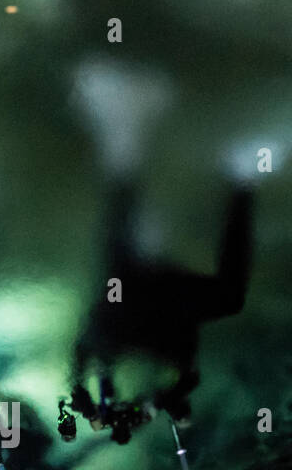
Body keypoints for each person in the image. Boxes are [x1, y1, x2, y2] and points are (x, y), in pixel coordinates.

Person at [62, 180, 254, 444]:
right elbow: (188, 378)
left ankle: (124, 177)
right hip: (161, 303)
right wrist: (160, 404)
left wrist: (90, 409)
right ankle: (241, 189)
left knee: (119, 273)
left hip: (139, 301)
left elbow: (80, 357)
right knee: (229, 299)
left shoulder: (109, 345)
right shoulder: (158, 377)